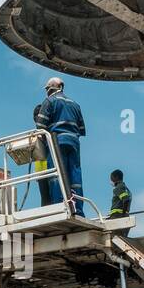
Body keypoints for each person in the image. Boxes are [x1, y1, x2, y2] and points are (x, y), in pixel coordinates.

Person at [35, 77, 86, 216]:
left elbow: (40, 127)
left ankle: (59, 207)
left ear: (50, 88)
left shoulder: (49, 101)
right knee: (75, 176)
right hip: (74, 142)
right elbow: (81, 129)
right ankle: (78, 209)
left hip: (57, 142)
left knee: (56, 175)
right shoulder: (75, 104)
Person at [33, 105, 54, 207]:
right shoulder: (43, 133)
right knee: (47, 198)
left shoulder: (43, 133)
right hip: (45, 170)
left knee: (47, 199)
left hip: (46, 170)